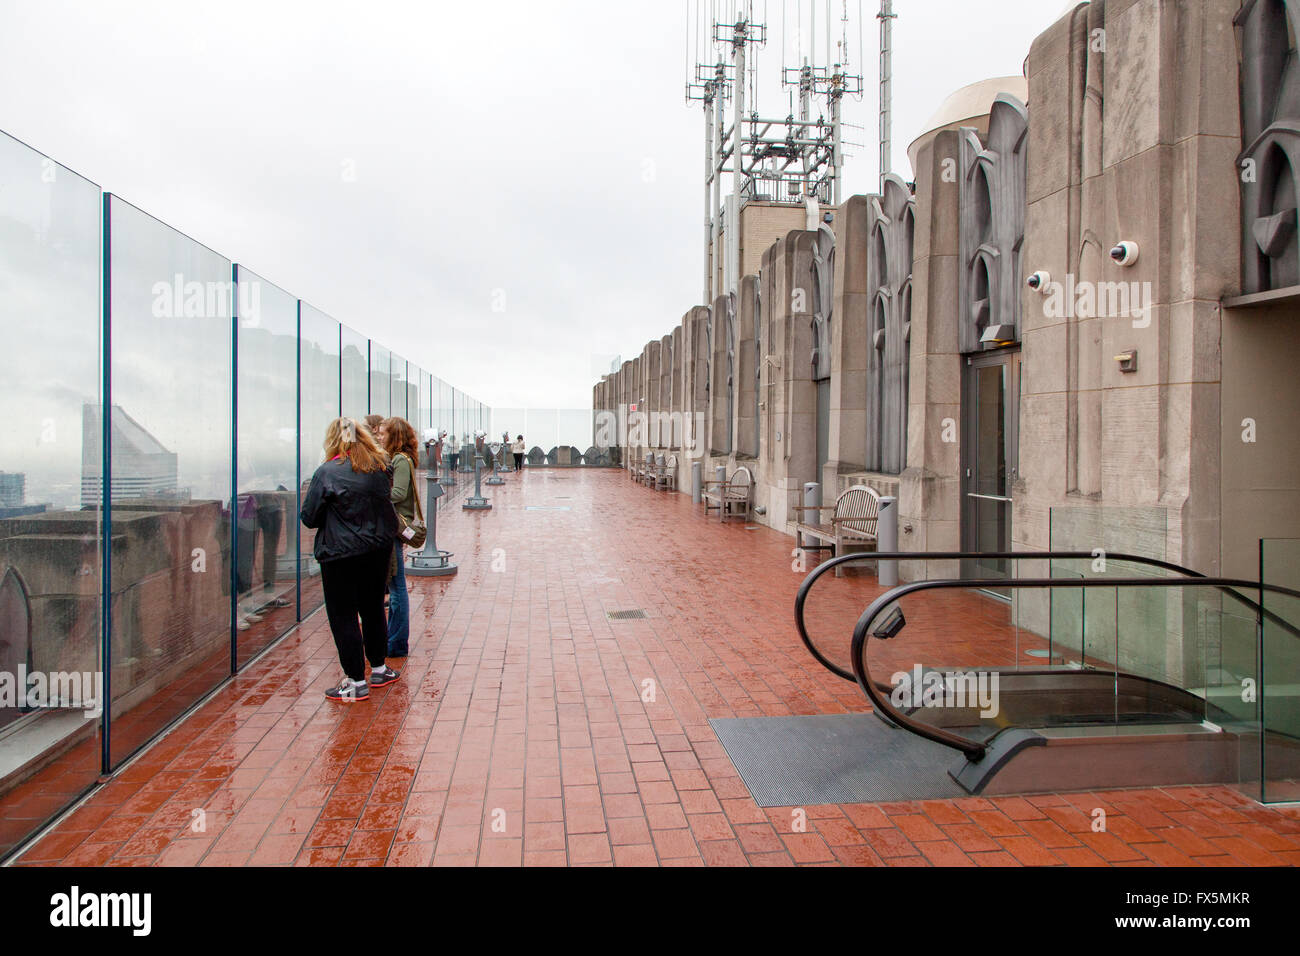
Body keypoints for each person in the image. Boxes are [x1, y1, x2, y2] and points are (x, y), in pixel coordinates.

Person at [300, 417, 401, 701]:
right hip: (377, 551)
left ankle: (356, 681)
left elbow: (309, 517)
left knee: (343, 615)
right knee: (372, 608)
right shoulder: (380, 469)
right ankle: (380, 668)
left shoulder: (327, 472)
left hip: (340, 554)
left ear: (334, 439)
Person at [378, 416, 418, 657]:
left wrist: (374, 493)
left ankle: (397, 643)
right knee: (394, 584)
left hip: (394, 525)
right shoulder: (399, 459)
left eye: (383, 433)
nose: (379, 437)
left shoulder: (400, 461)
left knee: (397, 585)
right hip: (392, 524)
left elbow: (399, 493)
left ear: (394, 436)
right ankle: (393, 639)